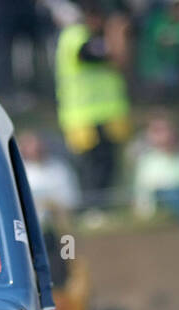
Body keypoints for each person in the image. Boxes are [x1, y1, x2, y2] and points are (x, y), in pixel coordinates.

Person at [54, 0, 131, 212]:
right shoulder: (76, 35)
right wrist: (117, 35)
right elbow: (96, 55)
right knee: (90, 166)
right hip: (82, 116)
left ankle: (105, 208)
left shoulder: (98, 36)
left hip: (108, 113)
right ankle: (90, 210)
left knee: (108, 162)